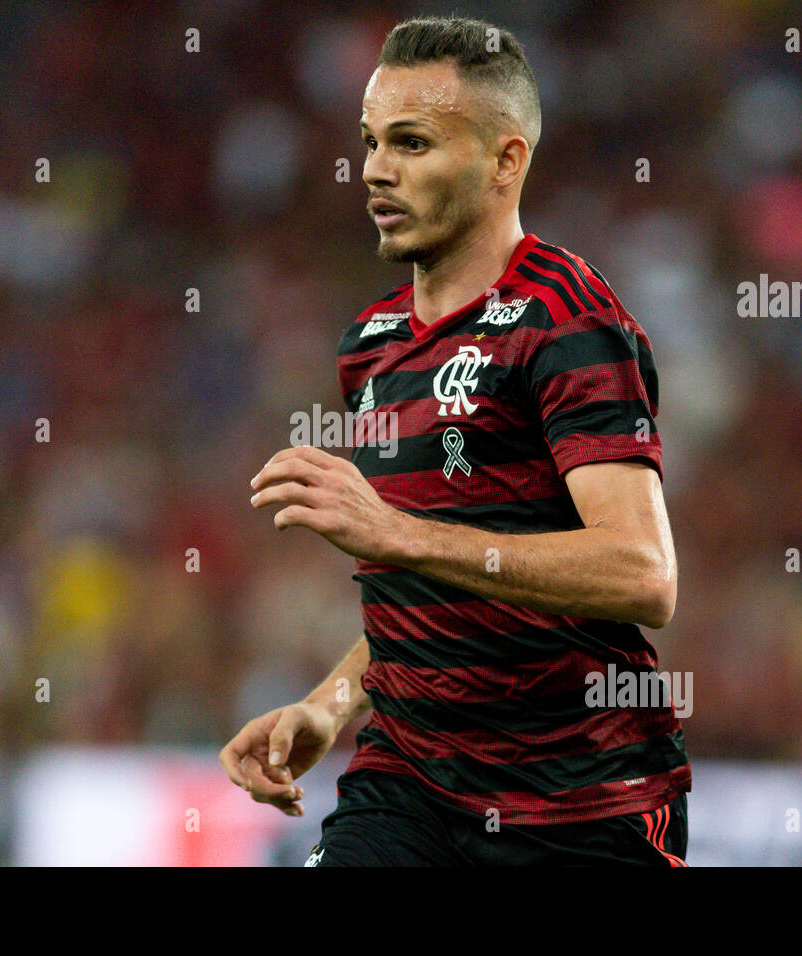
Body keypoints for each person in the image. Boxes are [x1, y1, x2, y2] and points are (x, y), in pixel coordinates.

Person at [220, 15, 689, 866]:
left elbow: (642, 575)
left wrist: (395, 533)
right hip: (408, 783)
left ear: (506, 161)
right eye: (369, 142)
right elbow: (430, 598)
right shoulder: (371, 344)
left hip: (577, 802)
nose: (375, 171)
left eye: (412, 143)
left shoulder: (564, 320)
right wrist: (328, 704)